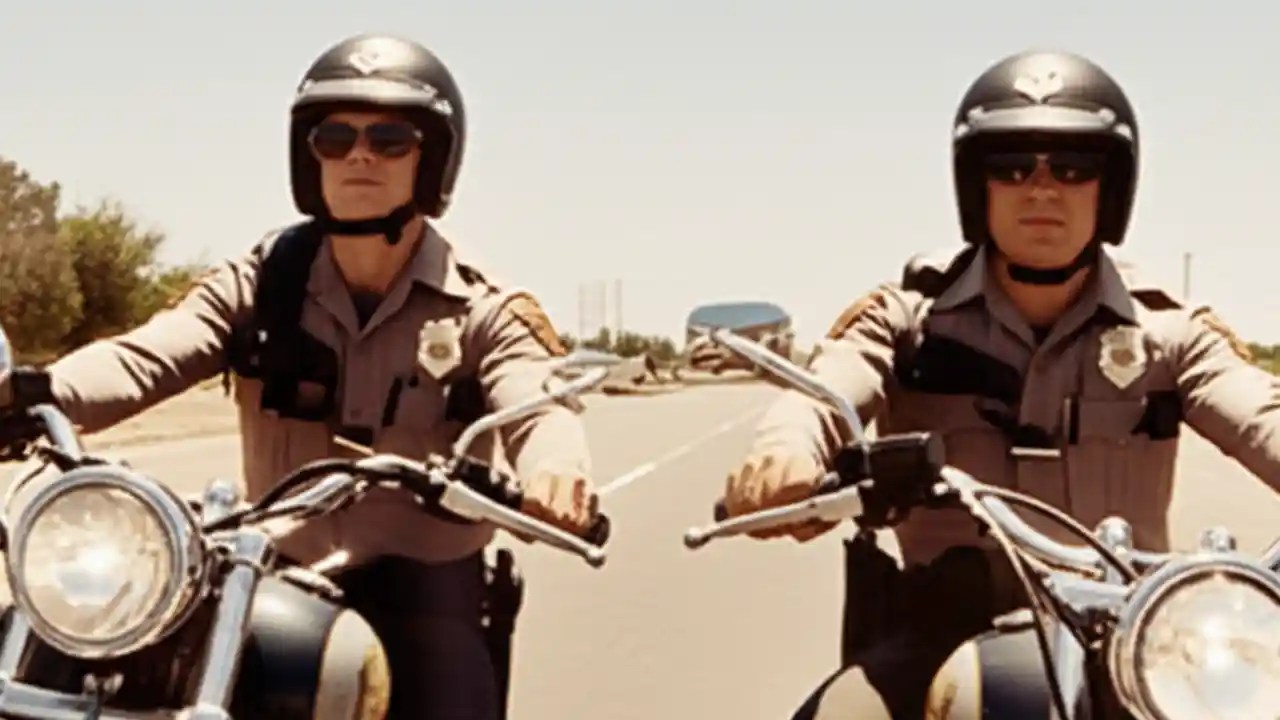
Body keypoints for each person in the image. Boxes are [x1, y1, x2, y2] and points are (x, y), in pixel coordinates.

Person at [4, 33, 600, 719]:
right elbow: (148, 355)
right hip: (272, 575)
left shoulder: (482, 306)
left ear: (432, 157)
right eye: (335, 136)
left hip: (425, 590)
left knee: (447, 692)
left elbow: (539, 405)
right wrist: (36, 391)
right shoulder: (261, 283)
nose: (360, 154)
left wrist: (557, 474)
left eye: (391, 137)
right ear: (306, 155)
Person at [712, 48, 1280, 718]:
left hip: (1127, 635)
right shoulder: (908, 320)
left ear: (1110, 188)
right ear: (977, 187)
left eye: (1073, 167)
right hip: (938, 633)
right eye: (1012, 167)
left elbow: (1259, 411)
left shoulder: (1170, 335)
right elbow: (821, 395)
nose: (1042, 188)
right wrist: (784, 457)